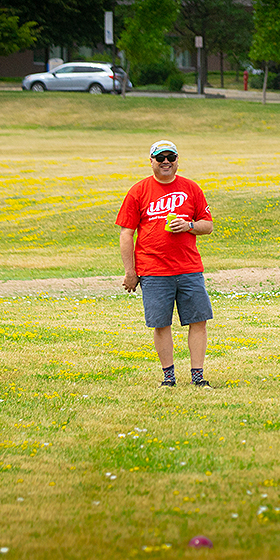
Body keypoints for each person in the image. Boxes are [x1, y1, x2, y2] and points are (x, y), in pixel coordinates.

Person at [116, 140, 214, 388]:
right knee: (161, 323)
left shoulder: (191, 188)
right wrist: (131, 272)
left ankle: (198, 377)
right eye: (160, 158)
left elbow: (207, 225)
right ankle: (168, 377)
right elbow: (126, 233)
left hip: (189, 268)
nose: (166, 161)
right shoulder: (138, 191)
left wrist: (189, 225)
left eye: (171, 156)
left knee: (198, 321)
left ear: (178, 160)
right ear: (151, 161)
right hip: (154, 270)